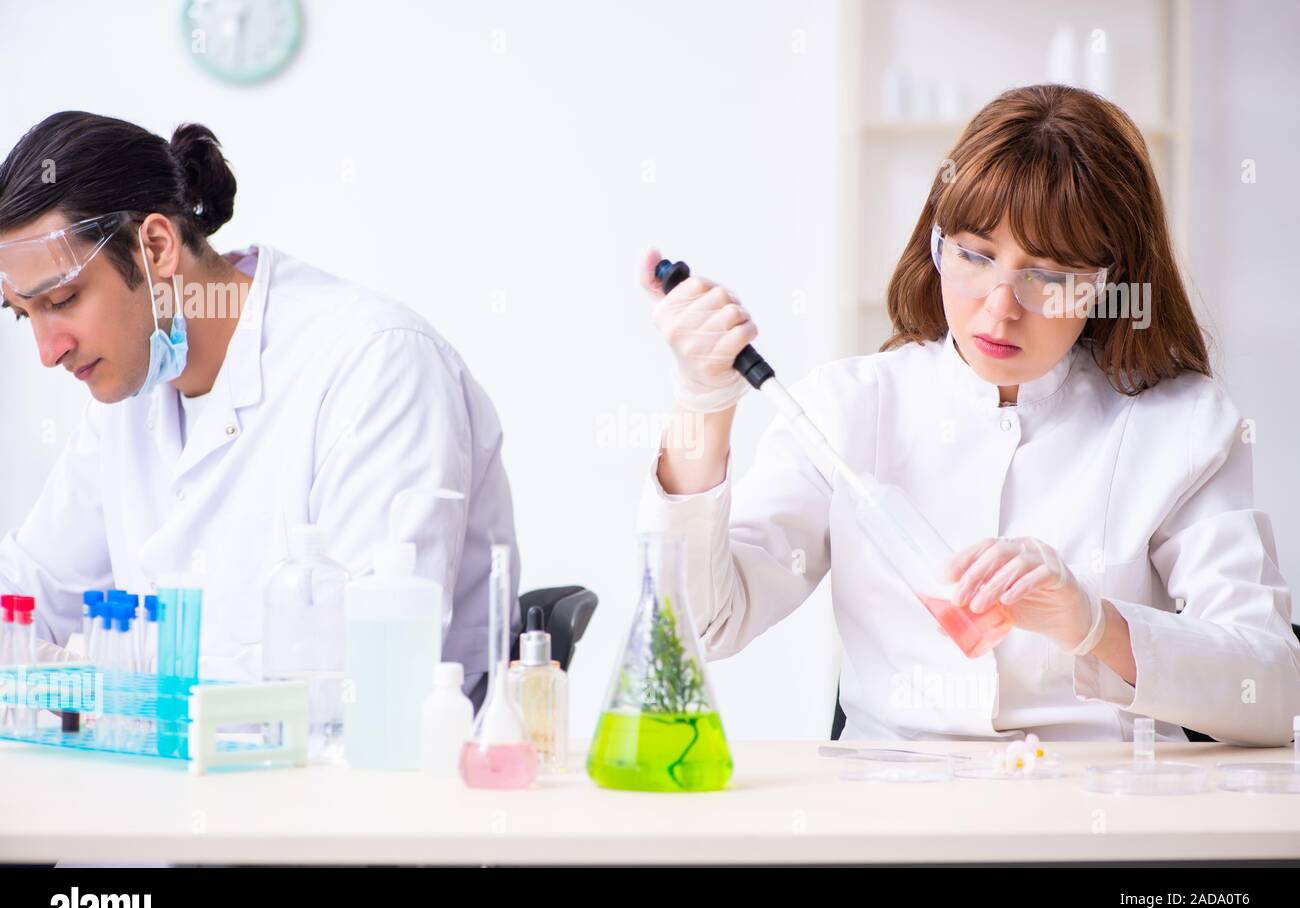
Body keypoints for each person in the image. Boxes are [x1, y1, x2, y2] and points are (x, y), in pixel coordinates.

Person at [636, 84, 1298, 746]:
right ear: (936, 243)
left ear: (1109, 282)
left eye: (1049, 275)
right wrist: (702, 404)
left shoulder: (1180, 424)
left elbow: (1271, 691)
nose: (1000, 307)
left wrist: (1093, 623)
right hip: (897, 818)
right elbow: (700, 626)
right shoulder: (848, 408)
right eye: (975, 256)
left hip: (1098, 816)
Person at [0, 111, 518, 695]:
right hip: (187, 772)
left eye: (63, 299)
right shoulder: (126, 390)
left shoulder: (376, 363)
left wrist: (111, 681)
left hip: (367, 777)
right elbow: (28, 592)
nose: (48, 352)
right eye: (25, 315)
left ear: (155, 246)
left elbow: (365, 676)